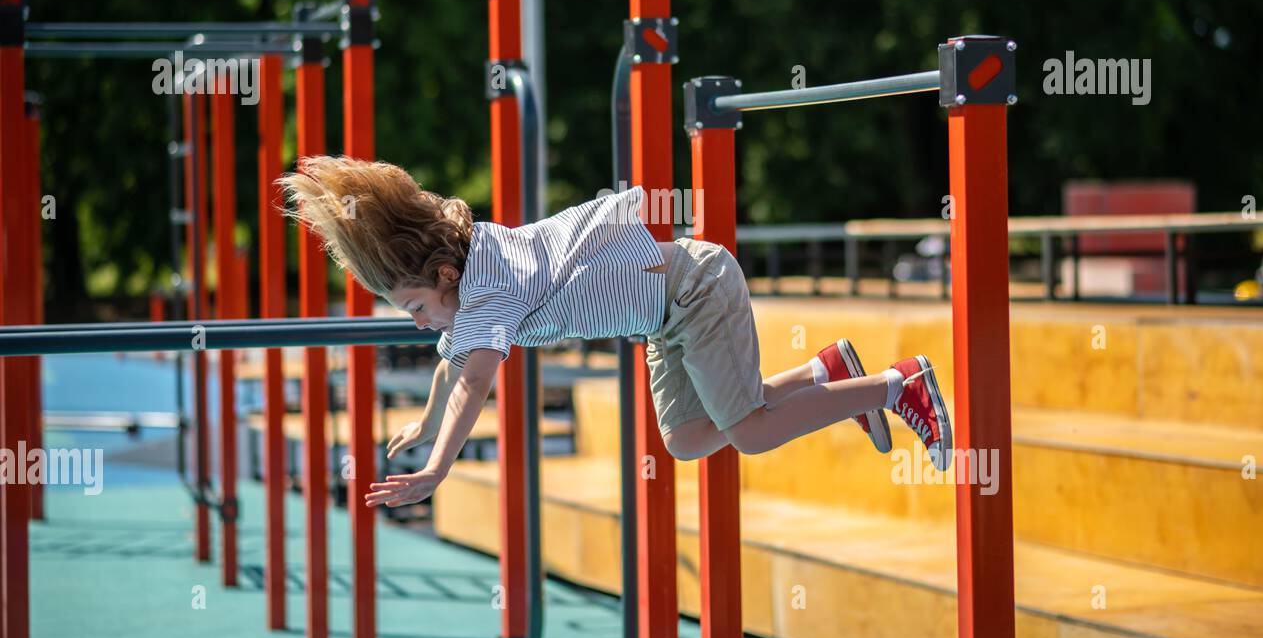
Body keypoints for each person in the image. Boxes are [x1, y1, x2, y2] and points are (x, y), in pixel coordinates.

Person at [277, 155, 951, 509]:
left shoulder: (487, 291)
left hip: (696, 289)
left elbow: (476, 379)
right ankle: (822, 372)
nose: (421, 324)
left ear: (445, 276)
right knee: (688, 440)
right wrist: (424, 426)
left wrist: (436, 467)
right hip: (666, 319)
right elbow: (453, 364)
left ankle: (895, 386)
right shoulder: (473, 273)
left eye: (417, 307)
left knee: (747, 430)